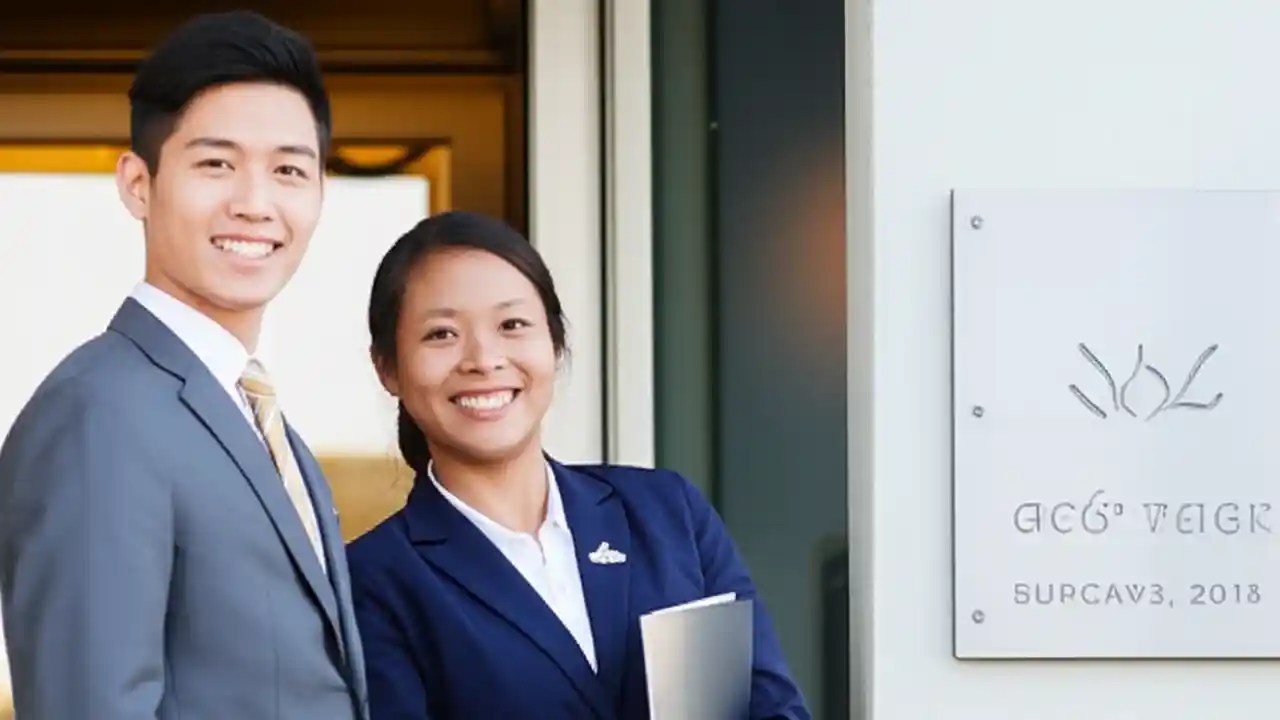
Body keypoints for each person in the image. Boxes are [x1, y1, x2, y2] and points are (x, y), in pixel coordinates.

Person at [0, 11, 368, 720]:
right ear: (138, 184)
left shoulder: (266, 429)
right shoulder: (98, 414)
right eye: (216, 164)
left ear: (320, 193)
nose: (255, 204)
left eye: (289, 169)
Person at [347, 211, 810, 719]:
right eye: (441, 334)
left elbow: (769, 707)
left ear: (555, 343)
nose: (483, 358)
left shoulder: (667, 513)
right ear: (387, 367)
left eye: (512, 325)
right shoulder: (372, 580)